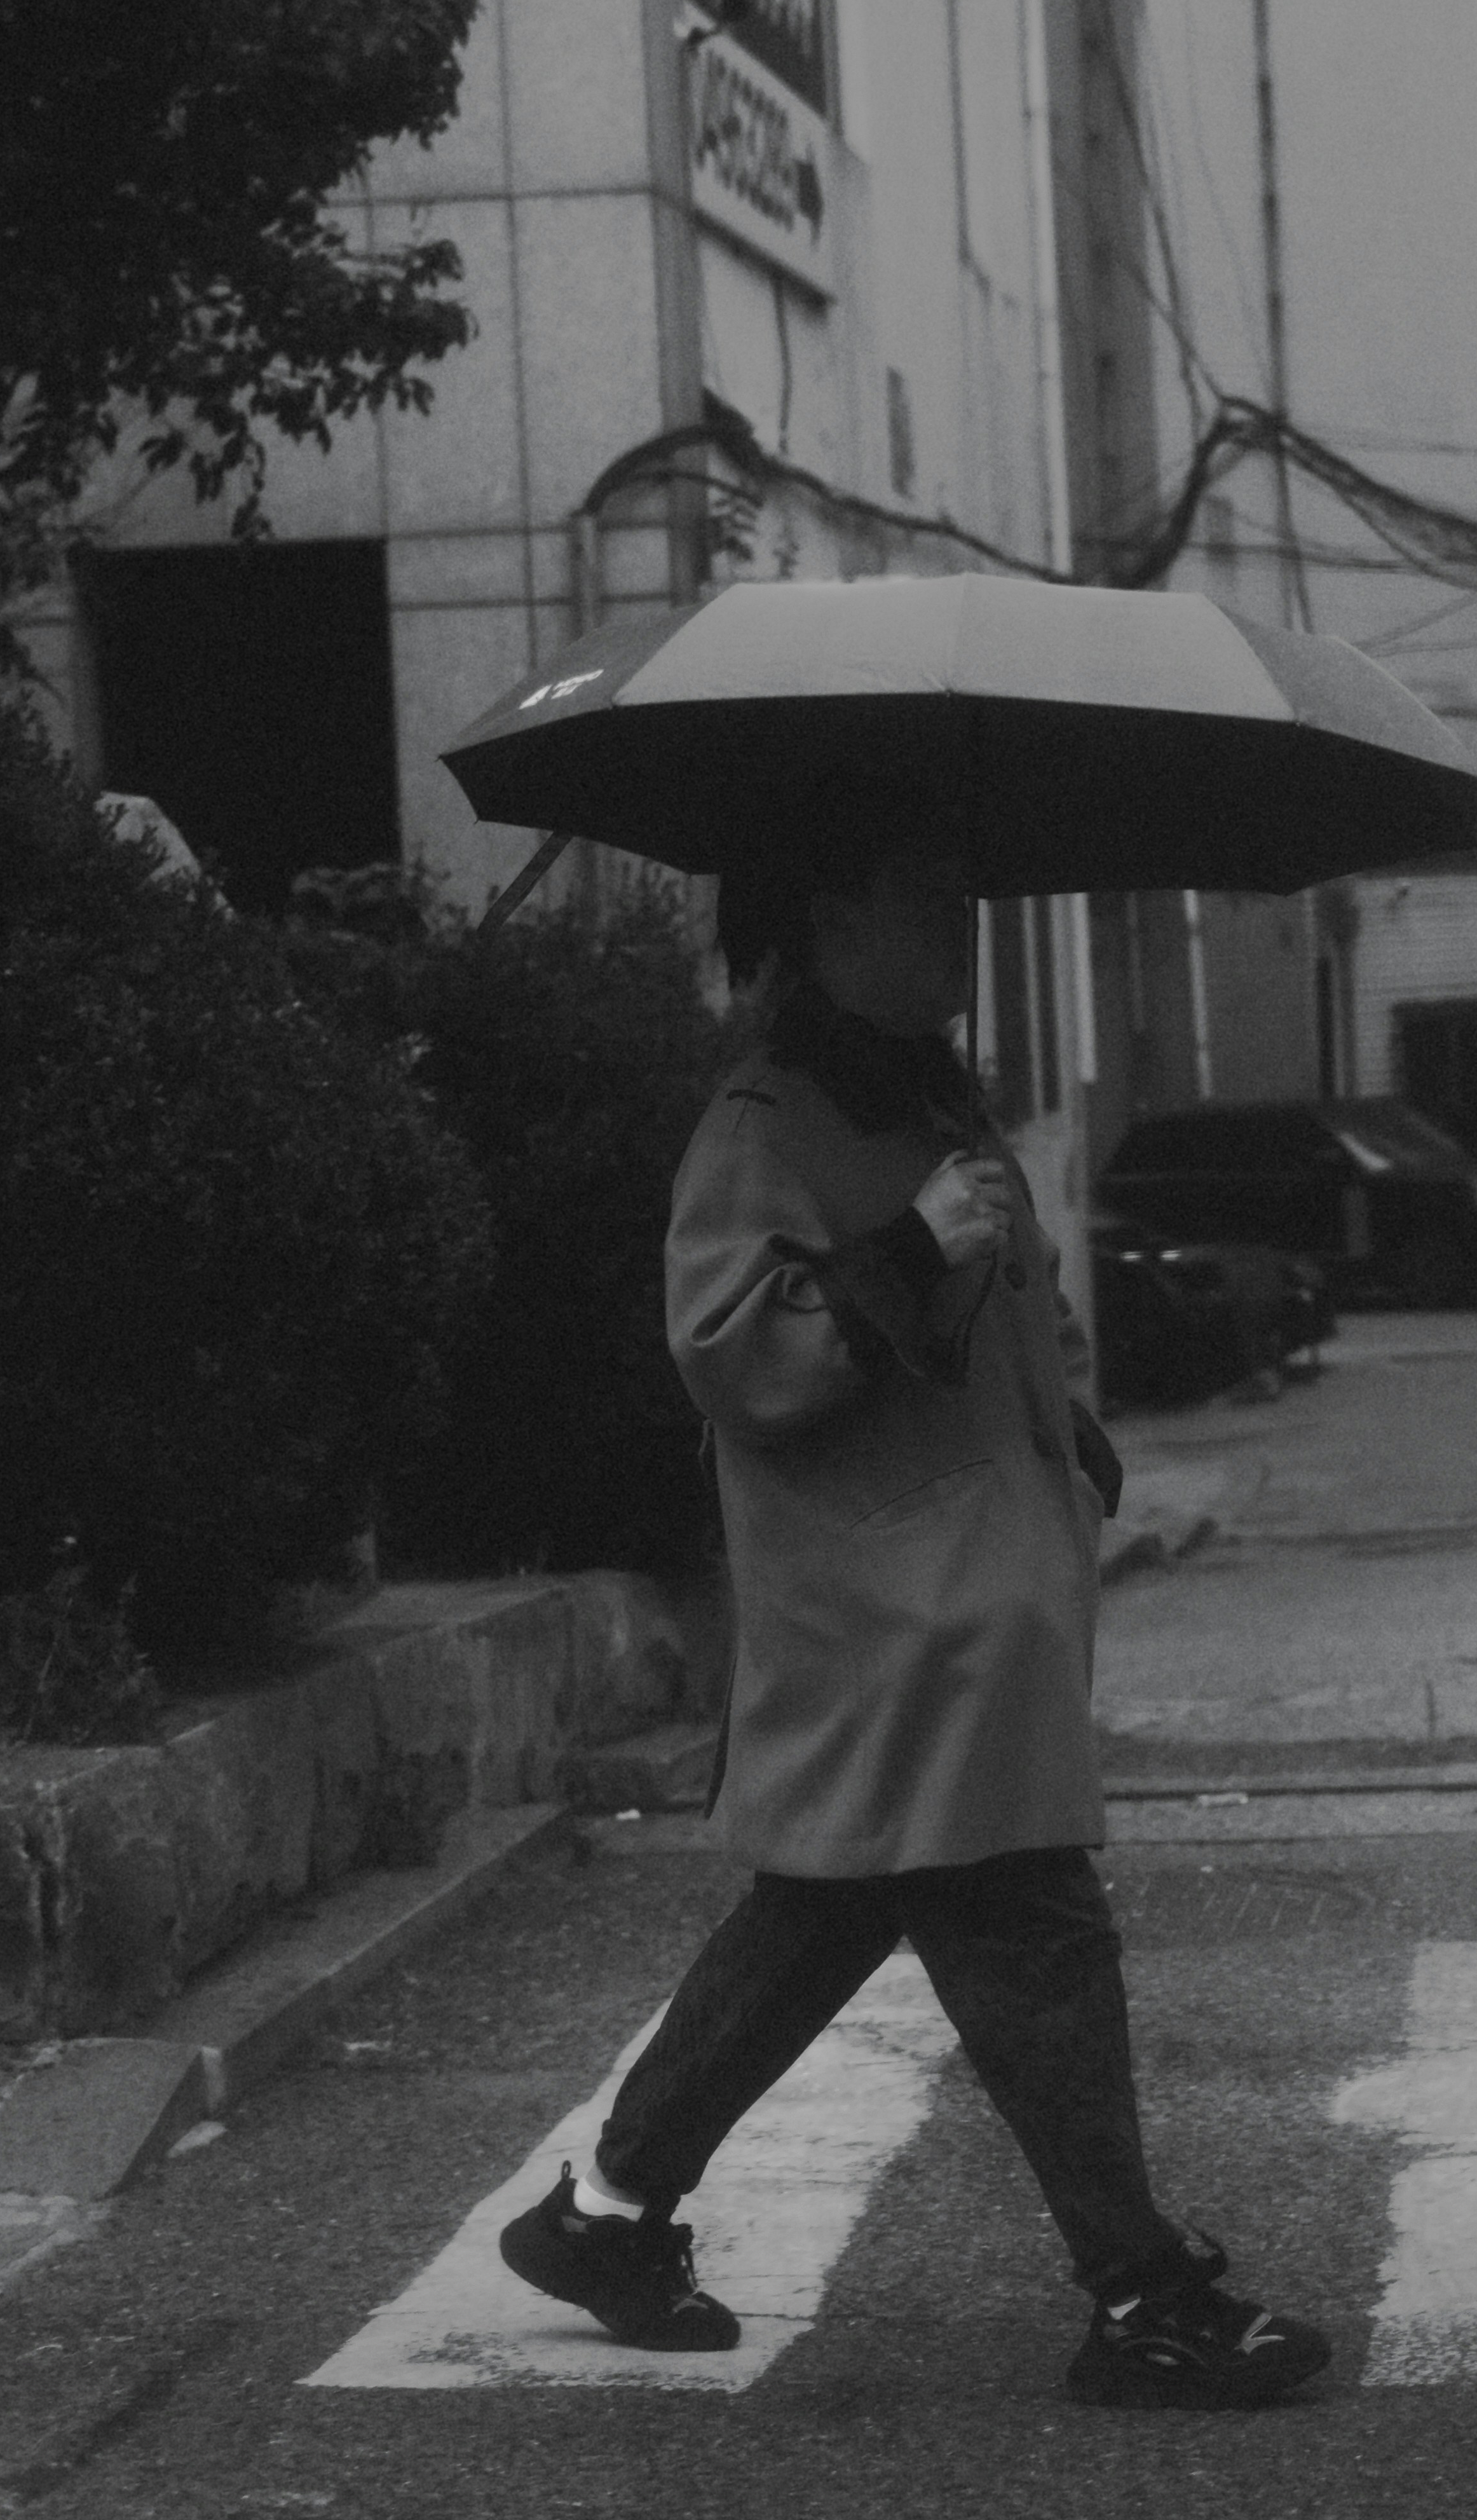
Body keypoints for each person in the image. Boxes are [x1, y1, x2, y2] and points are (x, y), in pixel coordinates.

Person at [500, 823, 1326, 2409]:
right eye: (924, 897)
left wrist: (1073, 1449)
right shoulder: (768, 1120)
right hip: (893, 1617)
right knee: (1034, 1929)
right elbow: (730, 1347)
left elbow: (1014, 1303)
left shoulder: (921, 1093)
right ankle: (1139, 2288)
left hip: (963, 1597)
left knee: (824, 1911)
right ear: (828, 912)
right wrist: (907, 1248)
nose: (962, 924)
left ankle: (605, 2214)